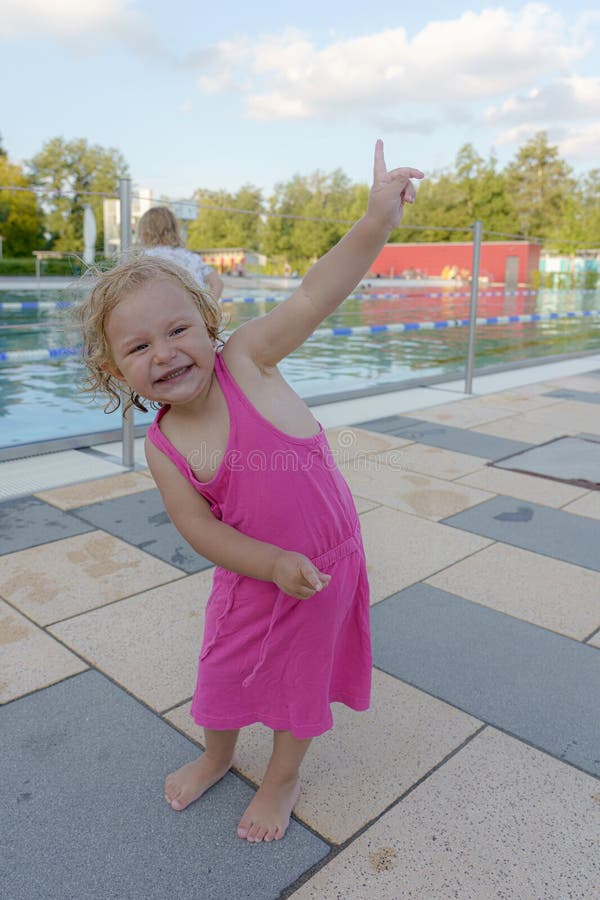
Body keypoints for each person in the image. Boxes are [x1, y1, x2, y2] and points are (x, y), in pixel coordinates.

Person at [78, 141, 423, 844]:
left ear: (210, 328)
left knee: (300, 685)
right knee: (222, 674)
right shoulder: (167, 444)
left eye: (178, 330)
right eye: (140, 347)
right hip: (251, 575)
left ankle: (282, 776)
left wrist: (374, 224)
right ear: (116, 370)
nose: (165, 352)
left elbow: (314, 292)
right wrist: (265, 564)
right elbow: (199, 530)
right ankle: (217, 753)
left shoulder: (250, 362)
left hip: (321, 566)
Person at [136, 205, 224, 300]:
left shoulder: (145, 258)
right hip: (193, 311)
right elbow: (217, 283)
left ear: (145, 232)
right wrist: (208, 309)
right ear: (175, 229)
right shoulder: (192, 257)